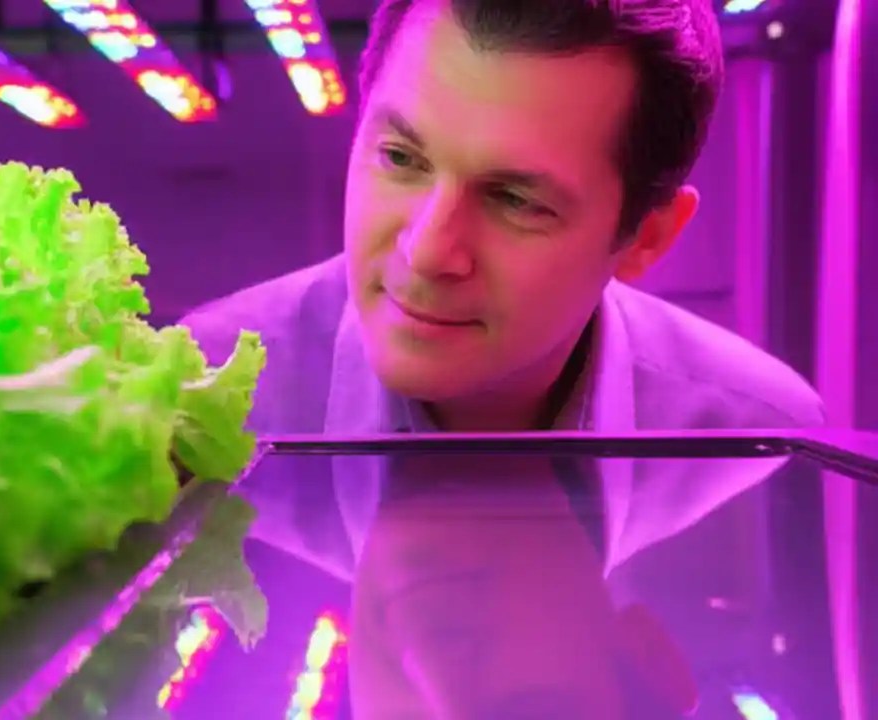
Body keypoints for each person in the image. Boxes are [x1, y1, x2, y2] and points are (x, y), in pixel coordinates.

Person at [181, 0, 824, 578]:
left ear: (647, 238)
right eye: (401, 158)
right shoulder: (193, 401)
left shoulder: (762, 444)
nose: (428, 253)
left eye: (515, 200)